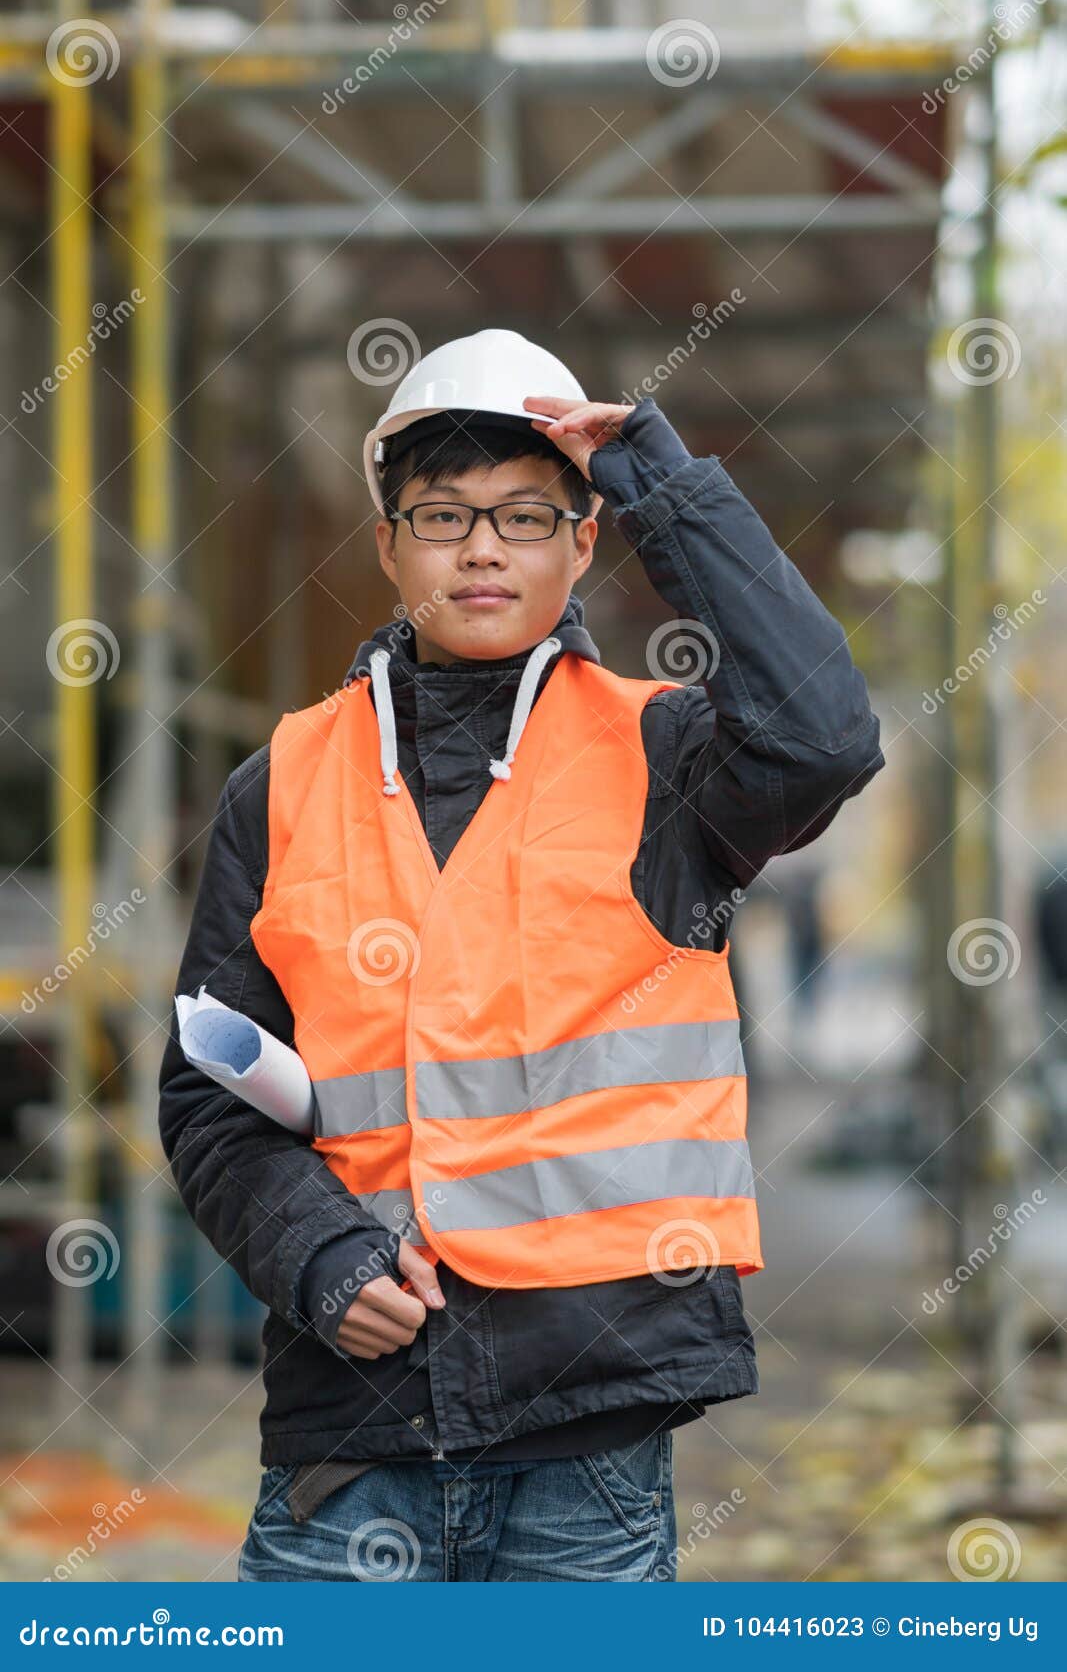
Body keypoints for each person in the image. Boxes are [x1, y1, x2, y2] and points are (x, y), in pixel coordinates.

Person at [158, 329, 885, 1582]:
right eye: (442, 515)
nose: (482, 547)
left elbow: (821, 739)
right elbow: (208, 1102)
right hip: (348, 1435)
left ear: (582, 543)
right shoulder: (279, 782)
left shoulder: (667, 761)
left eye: (525, 516)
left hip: (583, 1442)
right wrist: (319, 1257)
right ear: (386, 547)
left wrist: (658, 477)